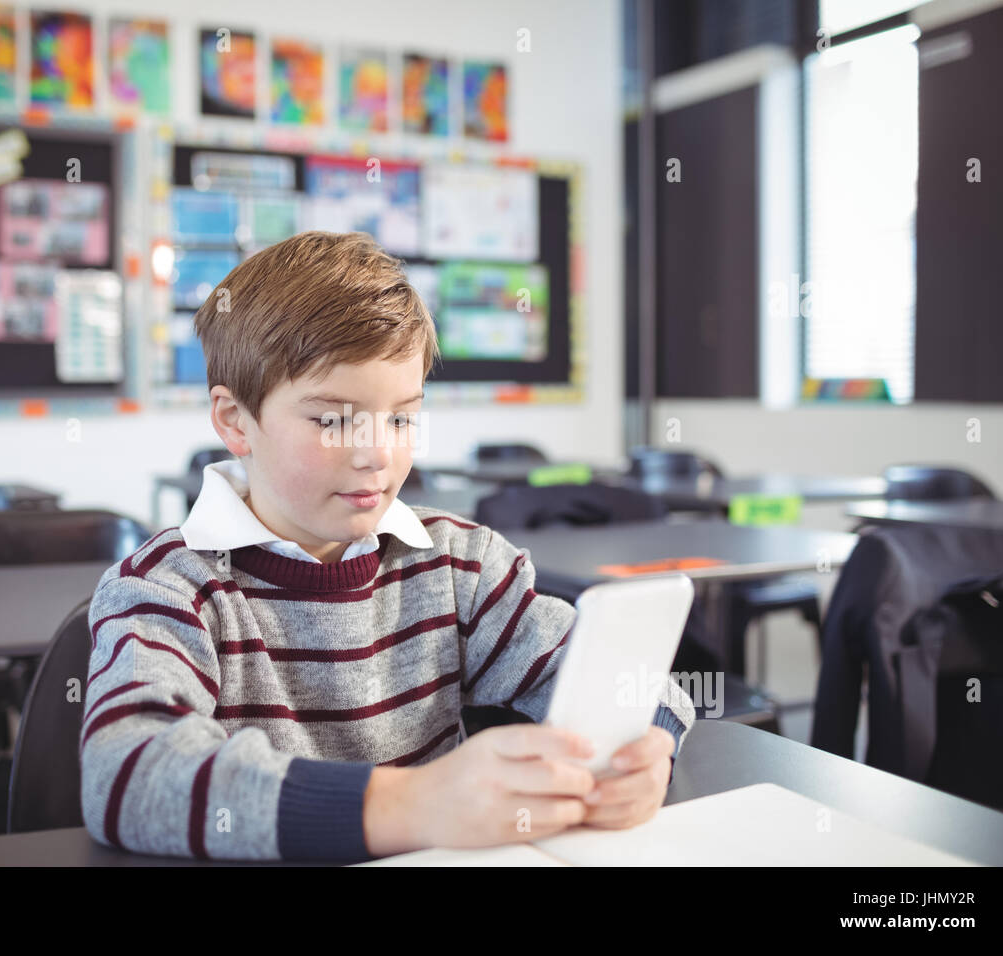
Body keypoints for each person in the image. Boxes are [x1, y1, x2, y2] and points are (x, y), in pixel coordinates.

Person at [81, 231, 695, 861]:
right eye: (331, 419)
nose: (377, 452)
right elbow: (127, 771)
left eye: (401, 417)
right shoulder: (166, 586)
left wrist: (645, 750)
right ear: (235, 420)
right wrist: (418, 804)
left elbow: (626, 682)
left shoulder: (460, 565)